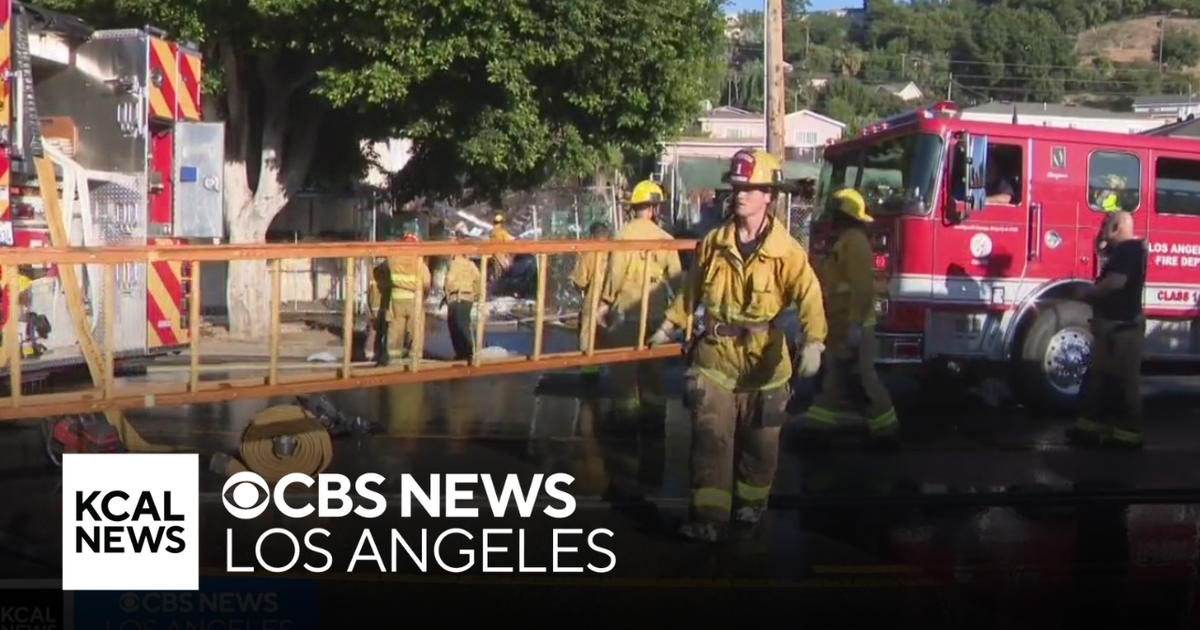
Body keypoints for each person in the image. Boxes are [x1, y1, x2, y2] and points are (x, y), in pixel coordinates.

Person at [645, 148, 828, 543]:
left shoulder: (787, 252)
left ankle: (751, 505)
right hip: (715, 358)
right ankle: (708, 518)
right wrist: (668, 325)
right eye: (737, 188)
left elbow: (810, 295)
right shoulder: (713, 243)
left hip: (765, 363)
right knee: (710, 439)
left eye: (749, 189)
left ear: (768, 196)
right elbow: (690, 290)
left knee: (760, 444)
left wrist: (814, 342)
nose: (740, 195)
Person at [798, 188, 898, 446]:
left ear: (843, 216)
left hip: (855, 327)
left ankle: (887, 431)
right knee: (834, 378)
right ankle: (816, 428)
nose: (830, 219)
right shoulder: (846, 241)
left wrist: (855, 325)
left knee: (864, 378)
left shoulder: (854, 242)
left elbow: (862, 287)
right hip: (841, 325)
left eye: (835, 213)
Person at [596, 181, 683, 425]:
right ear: (654, 209)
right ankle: (654, 417)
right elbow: (677, 279)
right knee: (653, 368)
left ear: (633, 207)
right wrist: (677, 313)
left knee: (624, 367)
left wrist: (605, 302)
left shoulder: (623, 235)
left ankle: (625, 417)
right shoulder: (665, 238)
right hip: (656, 314)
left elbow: (615, 274)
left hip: (626, 313)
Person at [1068, 211, 1147, 450]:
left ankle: (1127, 436)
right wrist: (1101, 242)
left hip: (1122, 328)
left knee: (1123, 384)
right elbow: (1102, 255)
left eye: (1106, 225)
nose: (1102, 228)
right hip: (1111, 326)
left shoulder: (1130, 250)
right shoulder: (1122, 251)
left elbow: (1115, 283)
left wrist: (1087, 293)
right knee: (1099, 381)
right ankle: (1091, 429)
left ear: (1117, 228)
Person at [569, 221, 611, 381]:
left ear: (592, 235)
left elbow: (579, 281)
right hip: (613, 303)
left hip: (593, 302)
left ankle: (589, 373)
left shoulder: (589, 254)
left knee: (588, 337)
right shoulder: (615, 252)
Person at [383, 232, 432, 366]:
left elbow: (387, 274)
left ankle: (393, 358)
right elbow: (426, 282)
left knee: (395, 329)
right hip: (414, 298)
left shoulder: (394, 258)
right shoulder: (418, 259)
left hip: (396, 298)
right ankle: (415, 359)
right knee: (415, 329)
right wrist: (424, 297)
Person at [442, 228, 481, 363]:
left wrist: (446, 294)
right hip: (463, 297)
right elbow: (478, 280)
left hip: (458, 297)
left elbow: (449, 280)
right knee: (459, 324)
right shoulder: (469, 264)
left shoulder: (456, 263)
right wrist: (477, 294)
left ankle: (466, 353)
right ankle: (465, 353)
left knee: (458, 326)